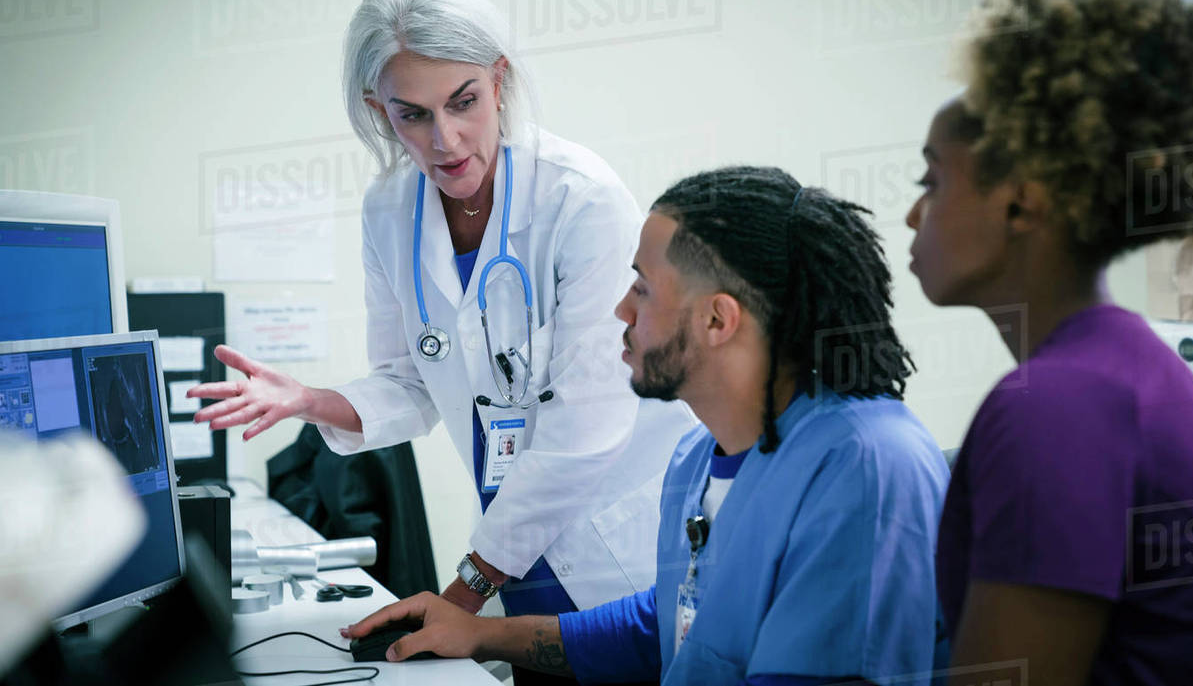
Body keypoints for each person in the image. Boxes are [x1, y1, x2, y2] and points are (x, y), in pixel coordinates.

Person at [189, 0, 695, 685]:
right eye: (412, 115)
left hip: (616, 540)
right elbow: (407, 380)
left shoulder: (582, 201)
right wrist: (309, 399)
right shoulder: (388, 210)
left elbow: (587, 428)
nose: (446, 139)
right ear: (378, 109)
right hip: (515, 549)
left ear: (500, 80)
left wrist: (460, 600)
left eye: (464, 102)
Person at [342, 167, 950, 685]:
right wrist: (479, 634)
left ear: (717, 319)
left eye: (641, 288)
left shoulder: (865, 468)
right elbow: (663, 625)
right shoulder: (695, 461)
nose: (621, 311)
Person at [905, 0, 1193, 685]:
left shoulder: (1056, 407)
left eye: (931, 180)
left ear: (1020, 203)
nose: (914, 214)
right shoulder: (1128, 369)